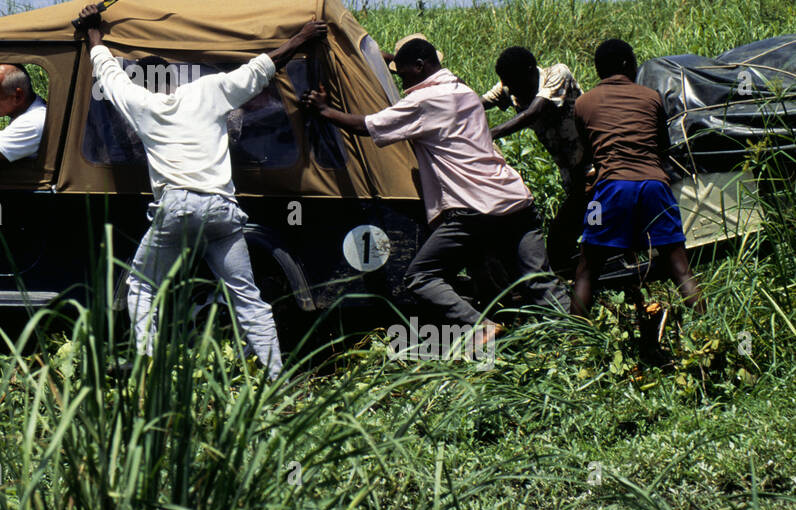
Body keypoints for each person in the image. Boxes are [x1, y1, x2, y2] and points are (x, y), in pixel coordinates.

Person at [77, 3, 328, 379]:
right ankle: (275, 376)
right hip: (222, 209)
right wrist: (301, 38)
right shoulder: (207, 93)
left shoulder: (140, 105)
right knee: (247, 296)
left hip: (178, 206)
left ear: (144, 85)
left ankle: (147, 366)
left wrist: (93, 32)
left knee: (142, 286)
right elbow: (260, 69)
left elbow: (108, 71)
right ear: (172, 80)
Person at [300, 36, 569, 344]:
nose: (403, 84)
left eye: (404, 76)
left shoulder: (425, 100)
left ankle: (480, 327)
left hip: (473, 208)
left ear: (419, 66)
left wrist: (324, 109)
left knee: (421, 276)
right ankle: (576, 339)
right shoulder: (465, 92)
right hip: (515, 198)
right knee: (539, 280)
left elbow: (366, 126)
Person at [571, 39, 703, 354]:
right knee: (679, 265)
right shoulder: (651, 97)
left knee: (587, 268)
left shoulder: (583, 103)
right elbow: (662, 147)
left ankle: (576, 344)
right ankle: (706, 333)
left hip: (608, 191)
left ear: (598, 70)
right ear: (628, 65)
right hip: (654, 186)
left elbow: (589, 154)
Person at [481, 47, 589, 271]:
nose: (511, 90)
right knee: (578, 231)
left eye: (514, 83)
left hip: (592, 167)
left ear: (530, 71)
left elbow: (533, 113)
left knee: (594, 223)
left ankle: (621, 271)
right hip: (570, 173)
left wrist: (489, 134)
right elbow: (477, 103)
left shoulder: (557, 75)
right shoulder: (510, 85)